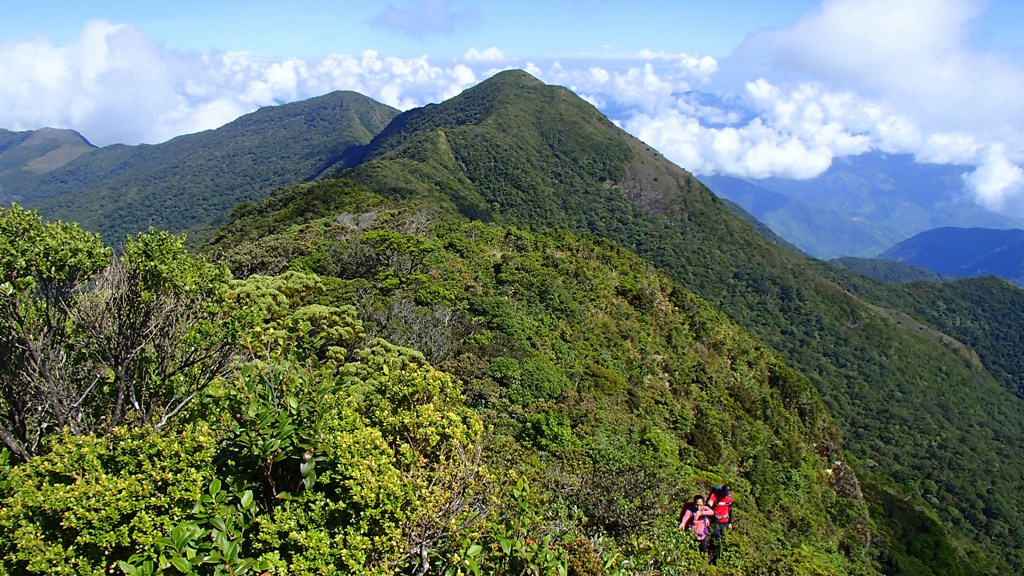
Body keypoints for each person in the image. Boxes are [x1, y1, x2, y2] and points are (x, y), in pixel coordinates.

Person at [706, 485, 733, 563]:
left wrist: (730, 523)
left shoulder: (729, 497)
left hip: (725, 522)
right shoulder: (715, 495)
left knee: (721, 540)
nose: (727, 495)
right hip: (715, 522)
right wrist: (707, 518)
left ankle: (715, 556)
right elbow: (709, 505)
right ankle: (712, 557)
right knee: (717, 539)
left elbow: (730, 510)